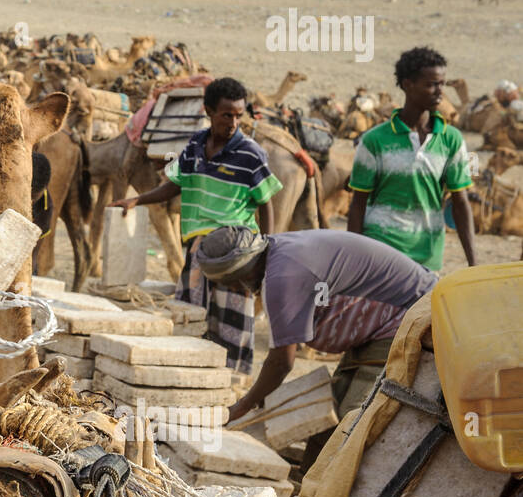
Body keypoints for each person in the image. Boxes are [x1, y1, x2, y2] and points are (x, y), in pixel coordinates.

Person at [196, 226, 437, 469]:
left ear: (241, 274)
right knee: (327, 415)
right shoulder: (277, 252)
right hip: (378, 327)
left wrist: (245, 404)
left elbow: (281, 363)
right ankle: (308, 488)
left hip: (409, 316)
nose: (234, 291)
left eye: (227, 284)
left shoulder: (282, 277)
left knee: (352, 422)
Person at [108, 77, 281, 373]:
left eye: (239, 115)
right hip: (198, 252)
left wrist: (267, 252)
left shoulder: (251, 154)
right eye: (227, 115)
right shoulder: (195, 145)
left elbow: (266, 203)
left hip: (235, 254)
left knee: (232, 325)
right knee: (192, 321)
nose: (234, 122)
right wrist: (137, 201)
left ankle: (232, 387)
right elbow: (175, 185)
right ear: (210, 111)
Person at [348, 46, 475, 271]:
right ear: (408, 85)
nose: (439, 92)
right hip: (380, 252)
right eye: (431, 84)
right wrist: (353, 261)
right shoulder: (374, 140)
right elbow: (358, 204)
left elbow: (460, 202)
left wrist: (473, 263)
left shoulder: (451, 139)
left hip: (427, 257)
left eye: (442, 84)